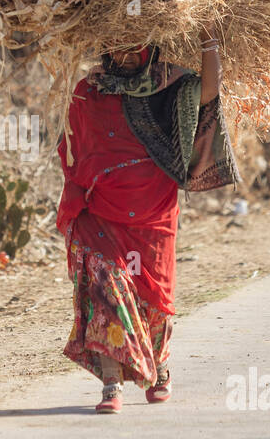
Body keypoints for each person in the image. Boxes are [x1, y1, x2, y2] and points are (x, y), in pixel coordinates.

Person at [57, 40, 239, 414]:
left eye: (133, 49)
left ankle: (159, 367)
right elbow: (73, 148)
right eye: (116, 48)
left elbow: (209, 91)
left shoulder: (170, 86)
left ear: (151, 50)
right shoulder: (87, 92)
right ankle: (111, 386)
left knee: (152, 300)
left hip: (153, 213)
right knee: (107, 291)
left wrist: (209, 42)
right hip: (101, 214)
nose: (123, 56)